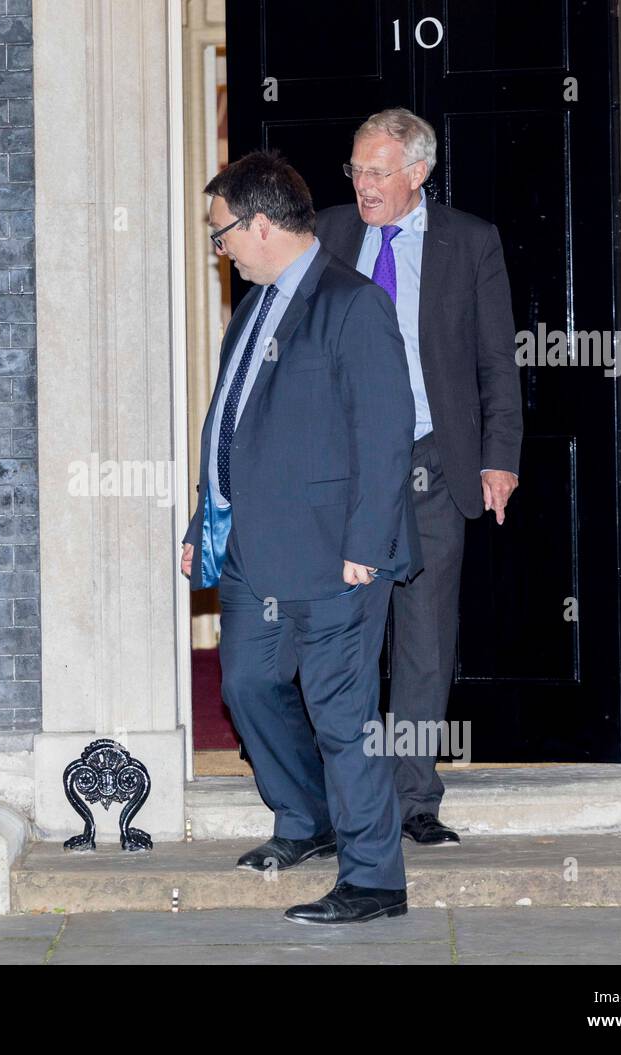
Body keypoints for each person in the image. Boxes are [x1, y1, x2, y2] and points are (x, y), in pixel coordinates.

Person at [181, 149, 420, 924]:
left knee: (341, 713)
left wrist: (366, 543)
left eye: (222, 234)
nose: (219, 248)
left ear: (259, 224)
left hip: (333, 551)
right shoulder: (252, 307)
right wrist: (203, 519)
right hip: (253, 549)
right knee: (247, 684)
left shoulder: (351, 303)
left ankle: (376, 877)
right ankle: (306, 818)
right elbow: (232, 428)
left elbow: (386, 434)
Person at [315, 108, 523, 846]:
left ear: (418, 173)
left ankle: (412, 801)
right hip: (347, 467)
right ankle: (347, 797)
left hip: (435, 457)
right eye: (356, 170)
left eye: (377, 171)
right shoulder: (331, 235)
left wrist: (500, 455)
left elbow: (496, 358)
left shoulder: (470, 242)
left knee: (425, 637)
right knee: (348, 631)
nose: (363, 184)